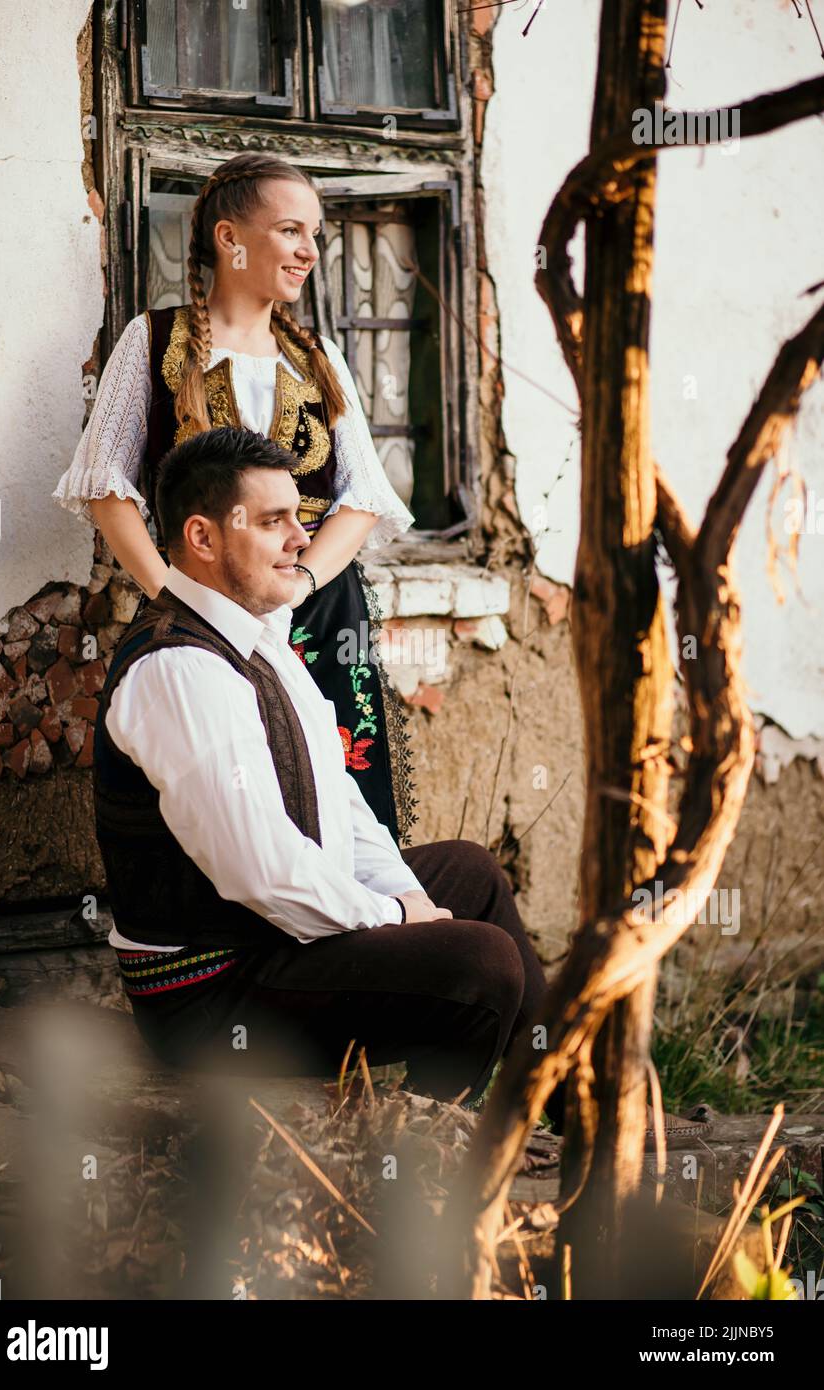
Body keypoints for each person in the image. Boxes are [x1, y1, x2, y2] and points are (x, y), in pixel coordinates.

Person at [94, 426, 556, 1115]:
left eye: (300, 518)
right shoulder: (178, 669)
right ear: (202, 536)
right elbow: (259, 871)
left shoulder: (261, 635)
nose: (302, 540)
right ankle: (424, 1155)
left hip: (270, 940)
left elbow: (337, 799)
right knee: (480, 965)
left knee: (472, 876)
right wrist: (396, 916)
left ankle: (575, 1117)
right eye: (275, 521)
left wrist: (408, 902)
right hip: (208, 989)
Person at [55, 151, 416, 844]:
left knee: (333, 802)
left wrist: (301, 582)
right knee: (223, 802)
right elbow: (106, 486)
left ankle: (356, 937)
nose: (309, 250)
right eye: (290, 231)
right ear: (229, 238)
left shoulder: (316, 358)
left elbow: (361, 499)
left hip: (315, 613)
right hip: (192, 611)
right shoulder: (154, 341)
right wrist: (174, 597)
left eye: (314, 233)